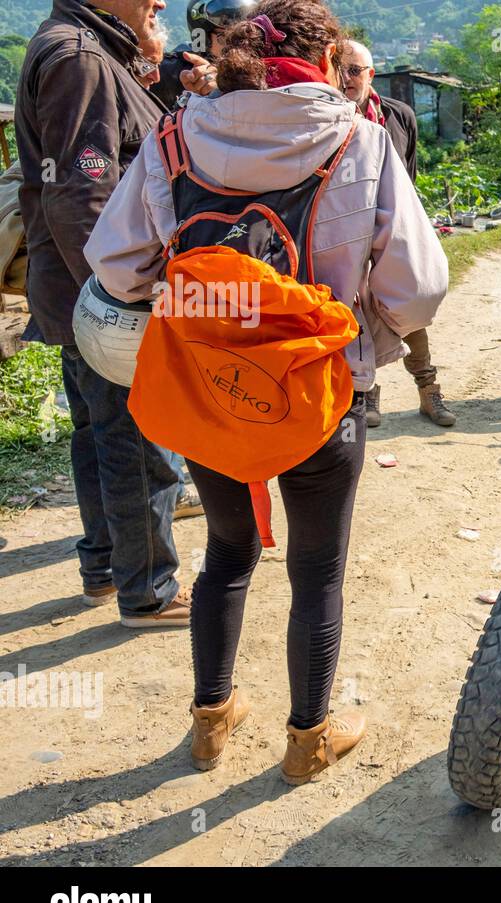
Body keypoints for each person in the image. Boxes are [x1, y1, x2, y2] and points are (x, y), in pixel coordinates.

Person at [84, 0, 449, 783]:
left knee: (225, 552)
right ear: (325, 67)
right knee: (318, 569)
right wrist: (357, 344)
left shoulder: (175, 135)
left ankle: (210, 724)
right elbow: (419, 290)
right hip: (320, 398)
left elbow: (116, 265)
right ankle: (306, 742)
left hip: (210, 391)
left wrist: (196, 310)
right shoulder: (362, 140)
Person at [16, 0, 192, 627]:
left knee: (98, 434)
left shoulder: (89, 49)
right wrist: (122, 299)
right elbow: (82, 193)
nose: (161, 3)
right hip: (103, 301)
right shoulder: (82, 59)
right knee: (134, 442)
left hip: (76, 296)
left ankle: (103, 568)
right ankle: (148, 591)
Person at [339, 38, 455, 428]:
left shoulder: (399, 115)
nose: (347, 78)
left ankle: (428, 390)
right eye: (340, 69)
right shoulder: (329, 116)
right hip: (347, 230)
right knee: (357, 310)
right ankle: (368, 393)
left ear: (371, 75)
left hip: (393, 224)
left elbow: (408, 174)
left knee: (407, 306)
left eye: (355, 70)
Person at [153, 0, 255, 110]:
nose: (239, 45)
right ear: (203, 38)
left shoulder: (256, 69)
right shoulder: (167, 72)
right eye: (227, 37)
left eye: (244, 37)